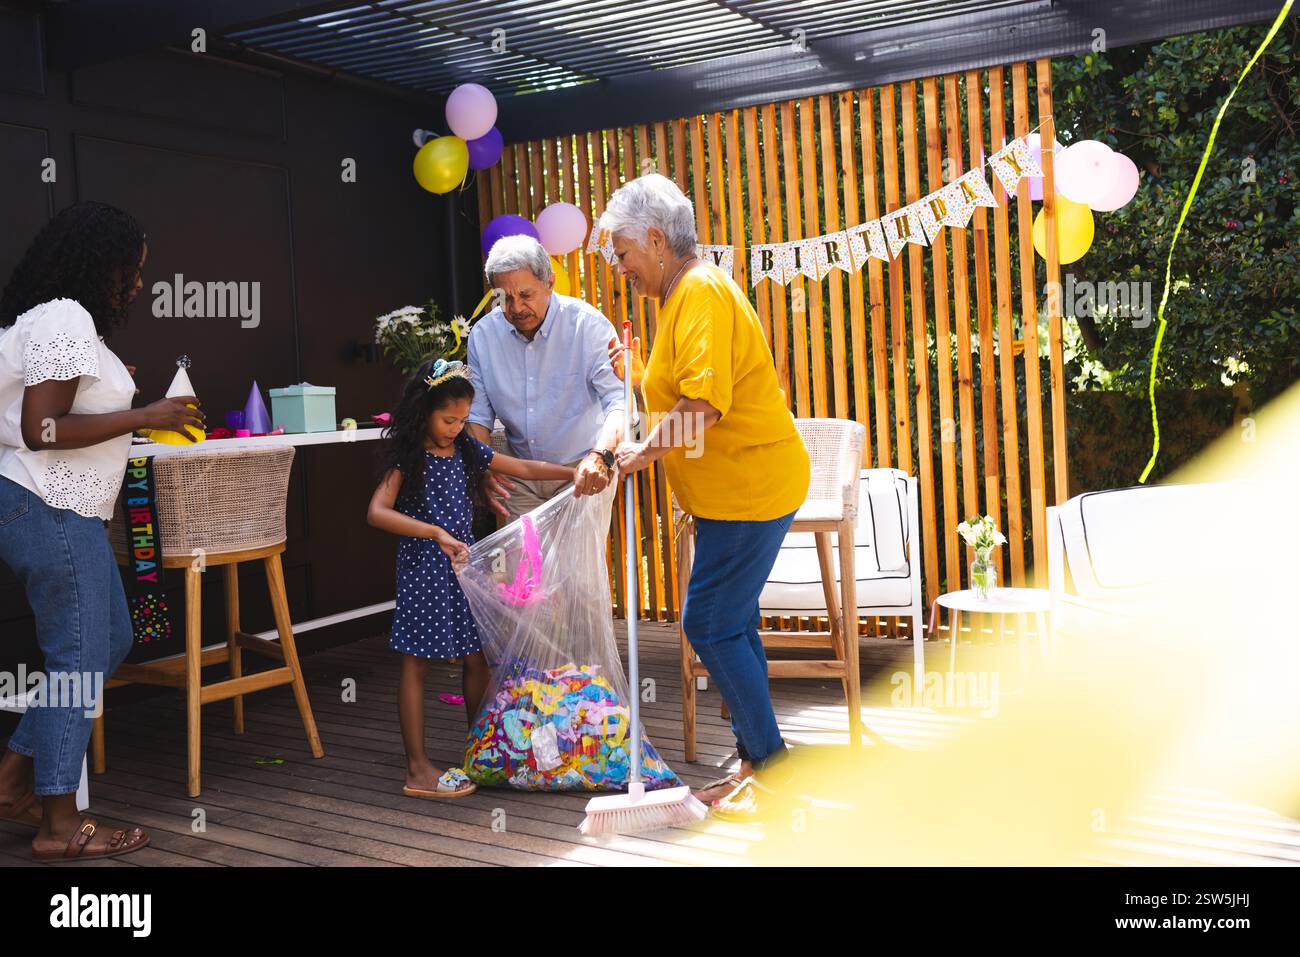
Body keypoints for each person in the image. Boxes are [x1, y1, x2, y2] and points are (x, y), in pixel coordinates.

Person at [0, 201, 205, 861]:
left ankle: (12, 781)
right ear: (101, 264)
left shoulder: (57, 319)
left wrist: (127, 407)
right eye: (133, 269)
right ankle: (59, 825)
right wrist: (145, 410)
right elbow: (44, 429)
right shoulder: (67, 315)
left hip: (59, 508)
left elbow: (56, 414)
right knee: (78, 656)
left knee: (109, 638)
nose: (138, 282)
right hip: (49, 505)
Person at [601, 173, 811, 814]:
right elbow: (684, 386)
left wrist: (643, 453)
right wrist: (634, 375)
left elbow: (705, 404)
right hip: (733, 492)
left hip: (750, 488)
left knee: (709, 624)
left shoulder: (700, 292)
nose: (621, 266)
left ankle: (773, 766)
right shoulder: (685, 293)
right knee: (734, 623)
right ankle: (757, 760)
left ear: (657, 240)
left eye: (623, 252)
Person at [367, 357, 575, 799]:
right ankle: (418, 769)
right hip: (425, 571)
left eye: (463, 419)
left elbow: (525, 469)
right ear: (423, 411)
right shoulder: (408, 457)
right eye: (448, 419)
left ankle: (482, 751)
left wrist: (575, 473)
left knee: (476, 658)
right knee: (415, 664)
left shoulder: (465, 449)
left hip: (463, 571)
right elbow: (377, 513)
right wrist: (434, 532)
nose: (456, 427)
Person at [467, 235, 625, 521]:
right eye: (505, 298)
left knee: (578, 567)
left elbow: (619, 402)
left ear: (549, 283)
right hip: (517, 476)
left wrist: (601, 456)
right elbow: (478, 417)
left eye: (526, 295)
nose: (515, 308)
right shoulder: (483, 336)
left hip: (582, 468)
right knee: (522, 565)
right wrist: (484, 467)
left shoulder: (588, 326)